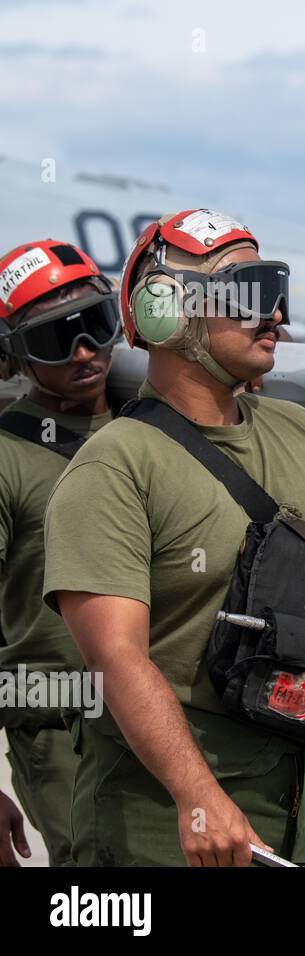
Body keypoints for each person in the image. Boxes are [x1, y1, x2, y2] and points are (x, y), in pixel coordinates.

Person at [43, 209, 305, 867]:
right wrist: (197, 795)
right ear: (165, 312)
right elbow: (117, 657)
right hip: (184, 817)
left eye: (278, 293)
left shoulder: (301, 430)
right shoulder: (116, 466)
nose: (274, 316)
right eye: (249, 295)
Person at [0, 239, 120, 866]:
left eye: (94, 327)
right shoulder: (6, 460)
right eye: (53, 339)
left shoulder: (154, 424)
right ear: (16, 354)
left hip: (174, 715)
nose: (83, 352)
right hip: (61, 732)